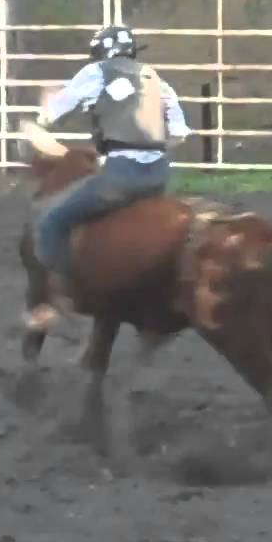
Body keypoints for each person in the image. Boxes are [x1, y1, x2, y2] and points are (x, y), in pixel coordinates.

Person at [26, 24, 190, 330]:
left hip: (120, 177)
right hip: (157, 177)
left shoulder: (96, 73)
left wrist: (46, 106)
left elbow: (54, 115)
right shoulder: (156, 79)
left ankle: (60, 298)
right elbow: (180, 133)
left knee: (53, 221)